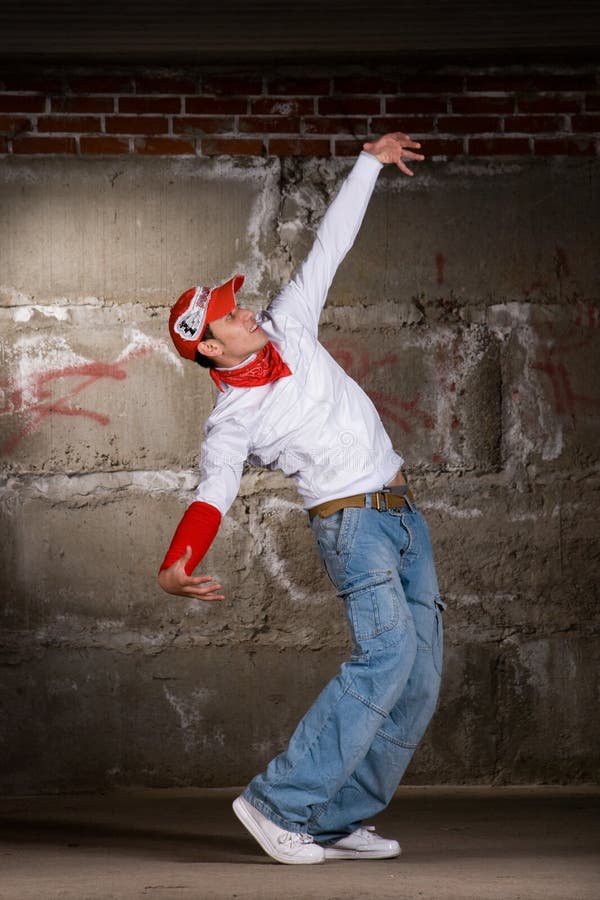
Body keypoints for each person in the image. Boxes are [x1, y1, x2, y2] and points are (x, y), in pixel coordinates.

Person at [158, 132, 445, 865]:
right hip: (353, 527)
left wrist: (369, 163)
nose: (244, 310)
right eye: (229, 315)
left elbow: (330, 248)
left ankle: (331, 817)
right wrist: (178, 561)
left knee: (418, 677)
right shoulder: (232, 421)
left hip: (403, 514)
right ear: (211, 350)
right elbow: (213, 491)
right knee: (385, 659)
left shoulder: (291, 324)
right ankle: (275, 803)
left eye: (236, 302)